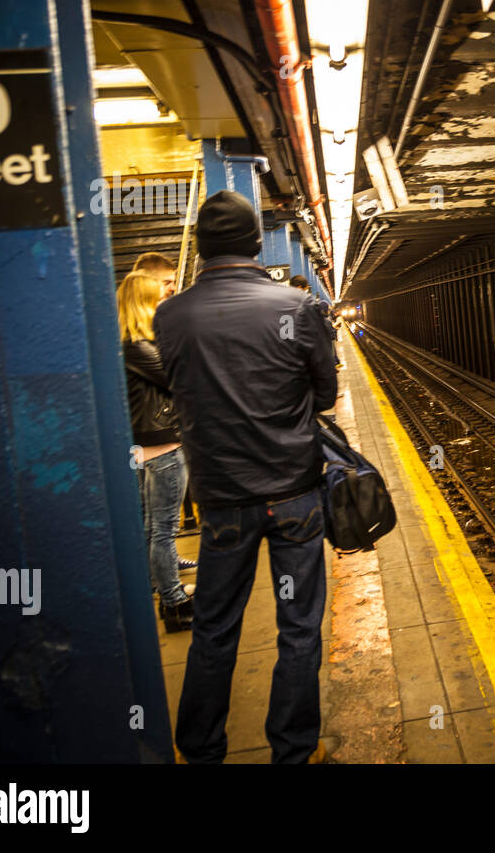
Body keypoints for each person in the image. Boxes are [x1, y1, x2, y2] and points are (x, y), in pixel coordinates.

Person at [155, 190, 337, 765]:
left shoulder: (171, 315)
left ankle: (201, 749)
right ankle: (293, 749)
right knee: (299, 628)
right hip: (295, 496)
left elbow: (181, 388)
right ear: (258, 243)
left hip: (222, 501)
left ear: (201, 248)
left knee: (214, 630)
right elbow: (327, 394)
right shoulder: (296, 307)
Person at [117, 274, 195, 632]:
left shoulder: (134, 344)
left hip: (150, 444)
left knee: (153, 527)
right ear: (143, 303)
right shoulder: (138, 346)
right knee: (164, 528)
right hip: (162, 445)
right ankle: (174, 602)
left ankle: (162, 585)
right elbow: (177, 376)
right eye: (157, 299)